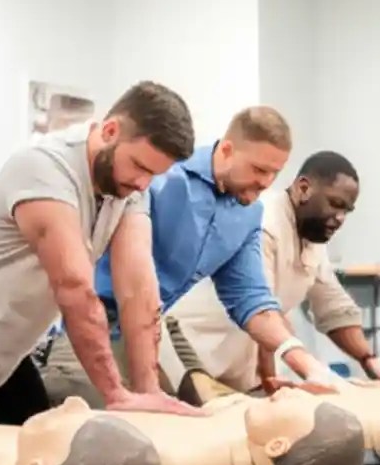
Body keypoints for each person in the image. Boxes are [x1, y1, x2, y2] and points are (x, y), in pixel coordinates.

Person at [0, 81, 198, 424]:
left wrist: (148, 392)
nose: (143, 183)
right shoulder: (44, 167)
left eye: (153, 174)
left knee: (43, 444)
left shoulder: (128, 186)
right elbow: (74, 288)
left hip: (0, 357)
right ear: (110, 131)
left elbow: (138, 289)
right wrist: (116, 394)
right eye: (140, 166)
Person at [45, 107, 345, 405]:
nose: (266, 182)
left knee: (183, 418)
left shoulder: (247, 215)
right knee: (93, 420)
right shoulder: (161, 178)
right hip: (85, 325)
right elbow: (130, 285)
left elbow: (251, 298)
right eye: (258, 170)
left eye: (274, 173)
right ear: (227, 150)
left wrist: (306, 364)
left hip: (145, 334)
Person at [165, 151, 380, 392]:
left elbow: (333, 306)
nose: (340, 218)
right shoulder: (264, 221)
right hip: (193, 352)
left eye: (347, 210)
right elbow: (260, 310)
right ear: (303, 188)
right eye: (335, 204)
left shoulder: (312, 237)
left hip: (236, 367)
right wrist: (277, 380)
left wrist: (369, 359)